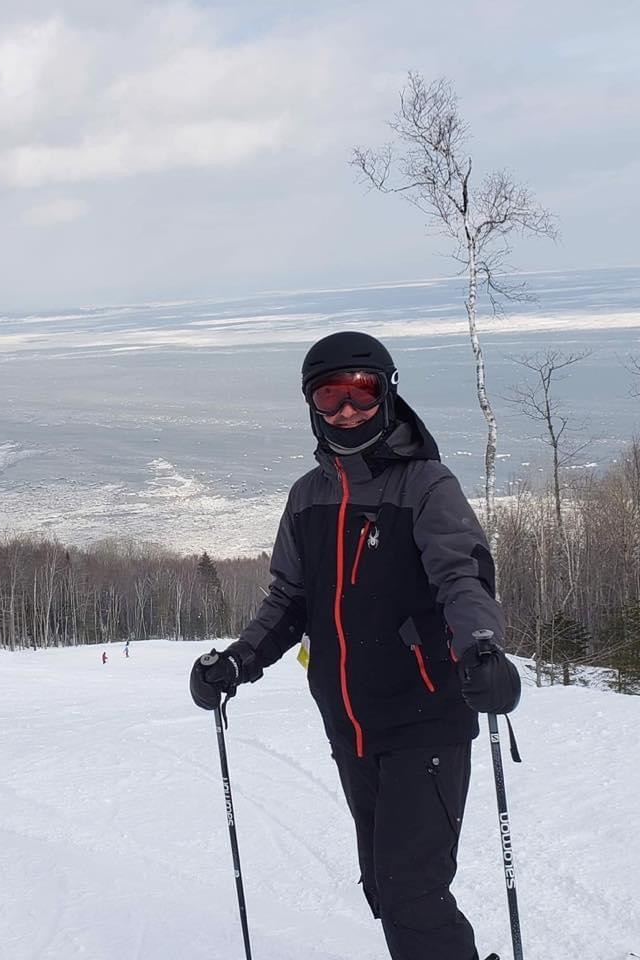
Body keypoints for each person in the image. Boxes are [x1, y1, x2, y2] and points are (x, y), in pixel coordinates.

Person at [189, 331, 520, 960]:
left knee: (411, 892)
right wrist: (238, 660)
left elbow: (463, 576)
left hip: (424, 717)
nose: (347, 409)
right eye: (330, 395)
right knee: (383, 886)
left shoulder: (425, 485)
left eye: (361, 393)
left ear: (387, 393)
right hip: (350, 725)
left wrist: (481, 647)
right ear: (313, 405)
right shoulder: (307, 497)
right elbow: (289, 600)